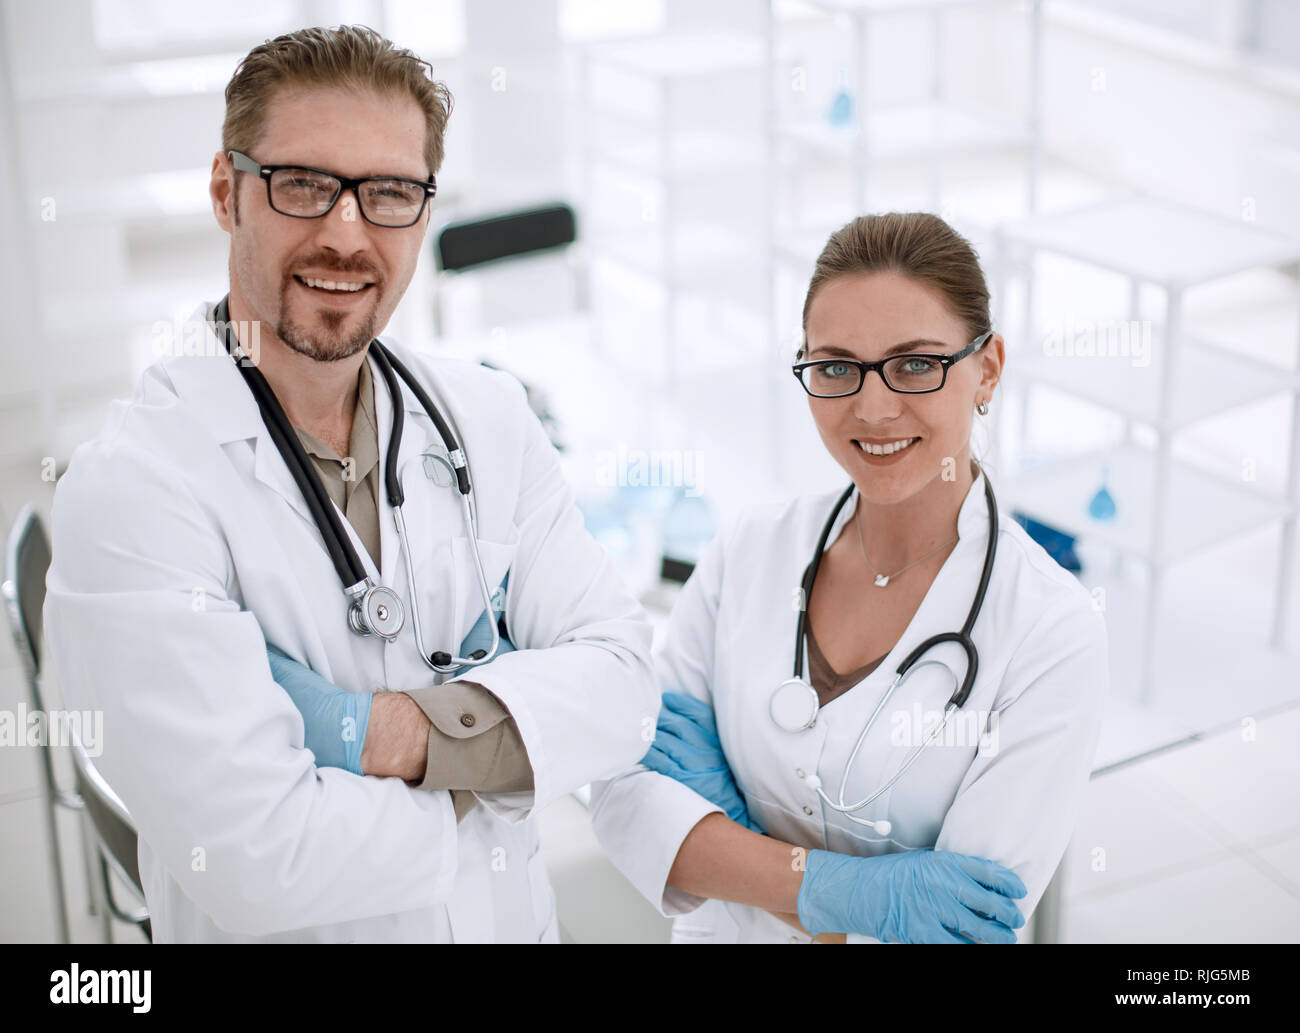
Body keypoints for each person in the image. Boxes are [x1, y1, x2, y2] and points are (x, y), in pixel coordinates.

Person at [43, 25, 657, 943]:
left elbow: (623, 685)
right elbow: (265, 859)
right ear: (227, 191)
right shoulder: (134, 493)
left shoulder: (487, 418)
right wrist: (502, 760)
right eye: (303, 184)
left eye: (389, 193)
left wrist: (376, 734)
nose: (345, 231)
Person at [590, 212, 1109, 943]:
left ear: (988, 367)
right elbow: (624, 793)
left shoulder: (1052, 632)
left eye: (916, 363)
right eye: (836, 366)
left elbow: (960, 930)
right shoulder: (751, 549)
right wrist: (841, 890)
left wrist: (732, 842)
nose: (872, 407)